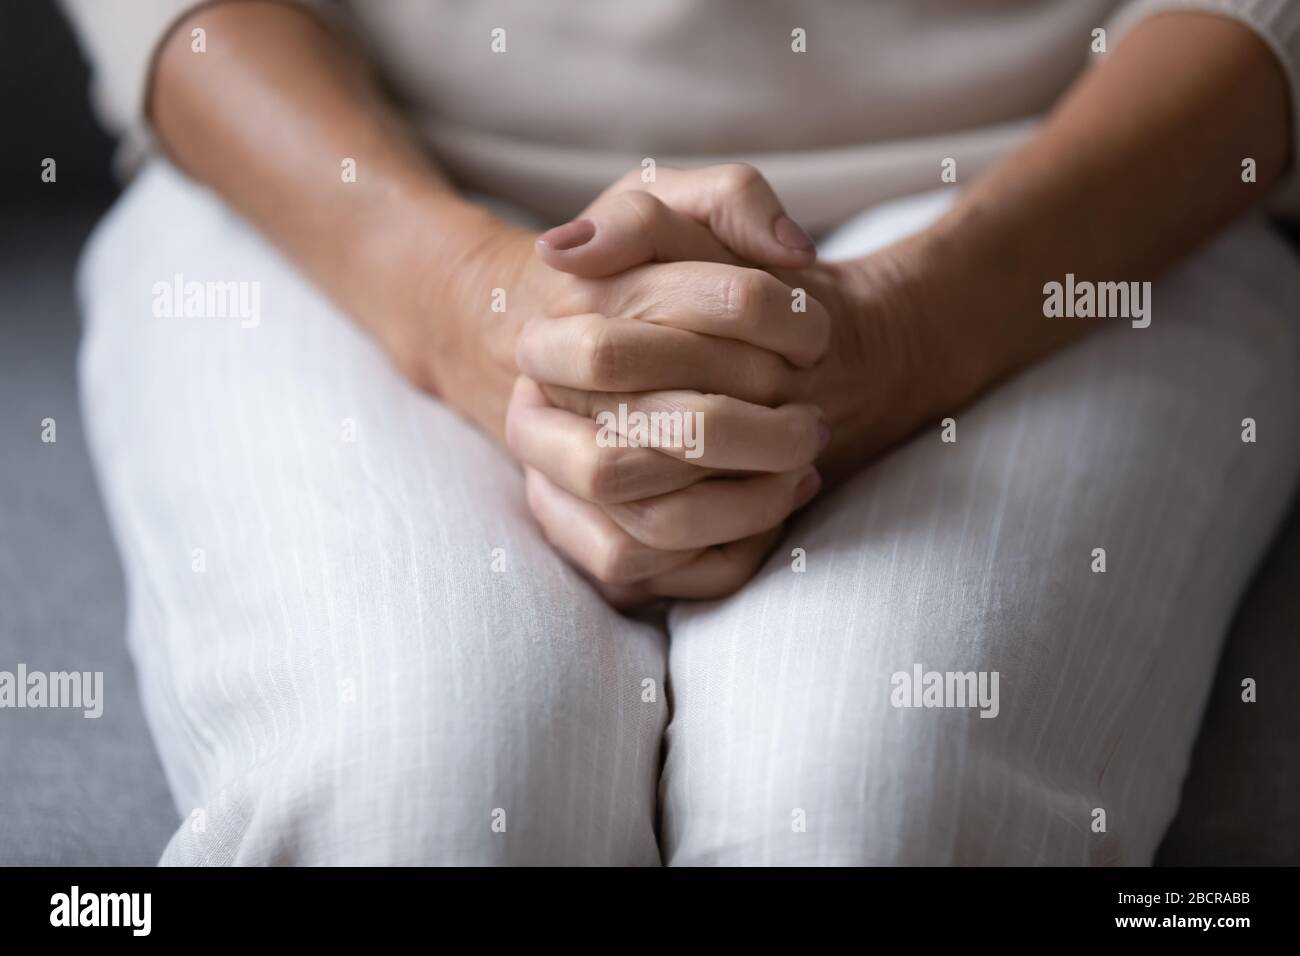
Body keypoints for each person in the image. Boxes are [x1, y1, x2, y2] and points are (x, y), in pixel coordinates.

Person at [62, 0, 1300, 864]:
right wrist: (456, 298)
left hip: (1069, 196)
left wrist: (913, 330)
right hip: (330, 181)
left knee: (869, 802)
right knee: (418, 784)